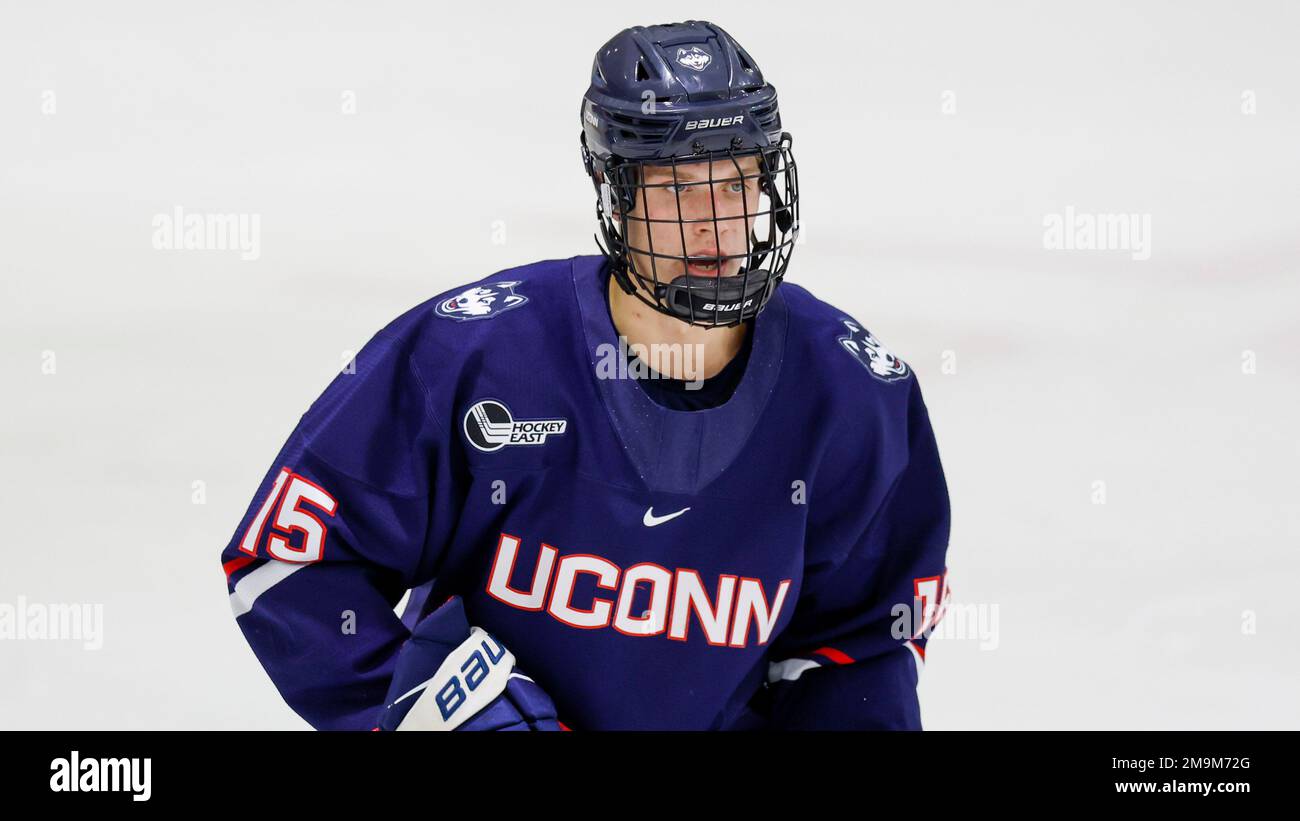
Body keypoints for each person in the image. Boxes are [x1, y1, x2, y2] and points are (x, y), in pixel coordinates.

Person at [221, 20, 952, 731]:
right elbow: (289, 562)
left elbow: (862, 645)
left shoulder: (853, 395)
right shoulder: (480, 357)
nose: (715, 224)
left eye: (735, 181)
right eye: (676, 188)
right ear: (614, 190)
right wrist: (434, 710)